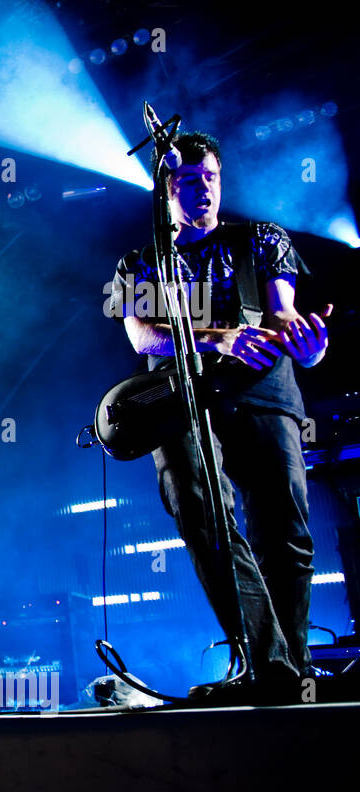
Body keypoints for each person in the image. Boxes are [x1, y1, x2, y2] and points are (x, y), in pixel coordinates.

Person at [108, 130, 331, 700]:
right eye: (186, 181)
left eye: (209, 178)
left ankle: (289, 669)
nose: (201, 189)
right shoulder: (140, 261)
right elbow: (143, 335)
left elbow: (283, 313)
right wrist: (221, 338)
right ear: (165, 190)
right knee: (198, 509)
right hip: (179, 395)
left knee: (284, 528)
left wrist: (311, 346)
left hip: (263, 387)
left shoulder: (261, 238)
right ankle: (267, 665)